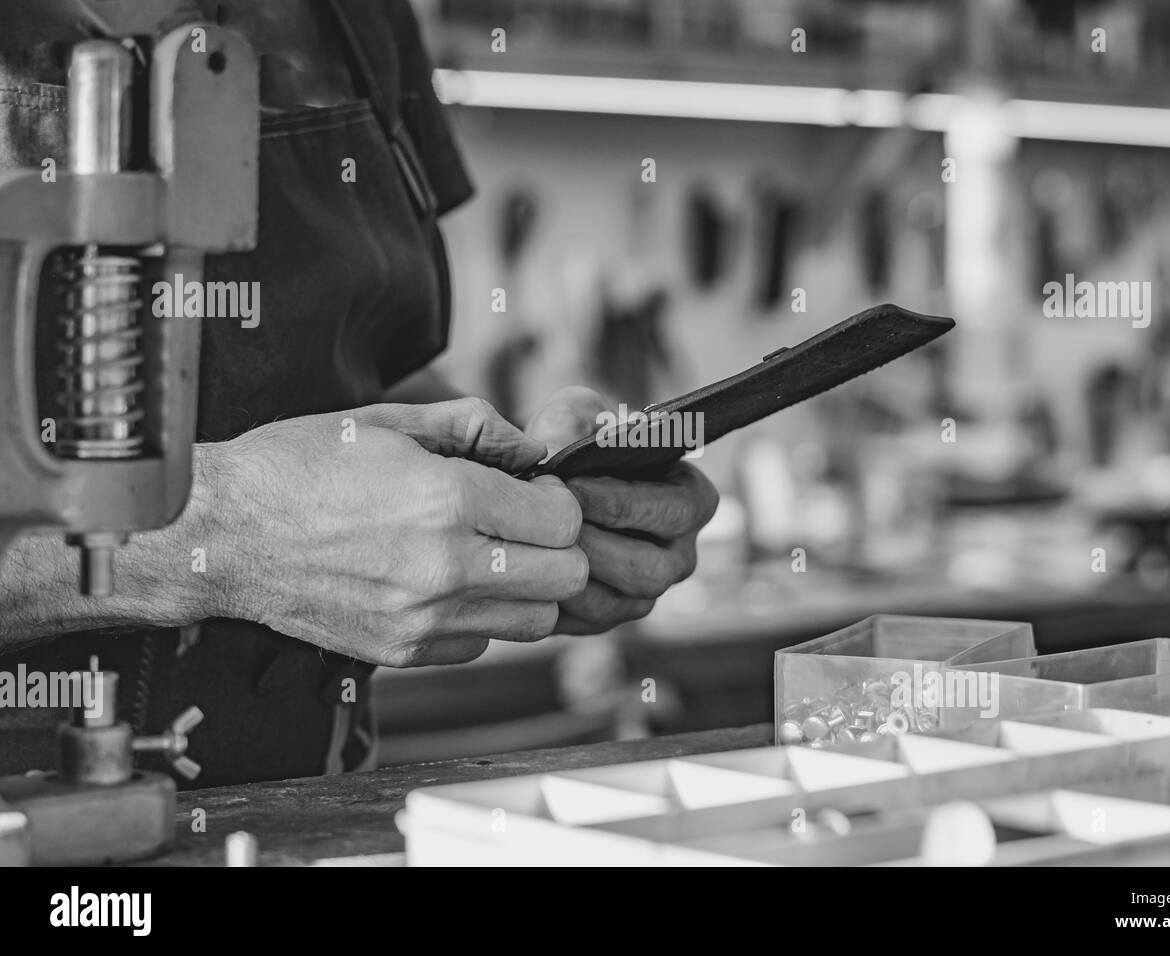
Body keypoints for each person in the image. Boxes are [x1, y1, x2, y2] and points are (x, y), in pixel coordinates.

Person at [0, 0, 718, 786]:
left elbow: (365, 370)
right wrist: (224, 534)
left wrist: (511, 484)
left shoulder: (358, 15)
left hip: (313, 807)